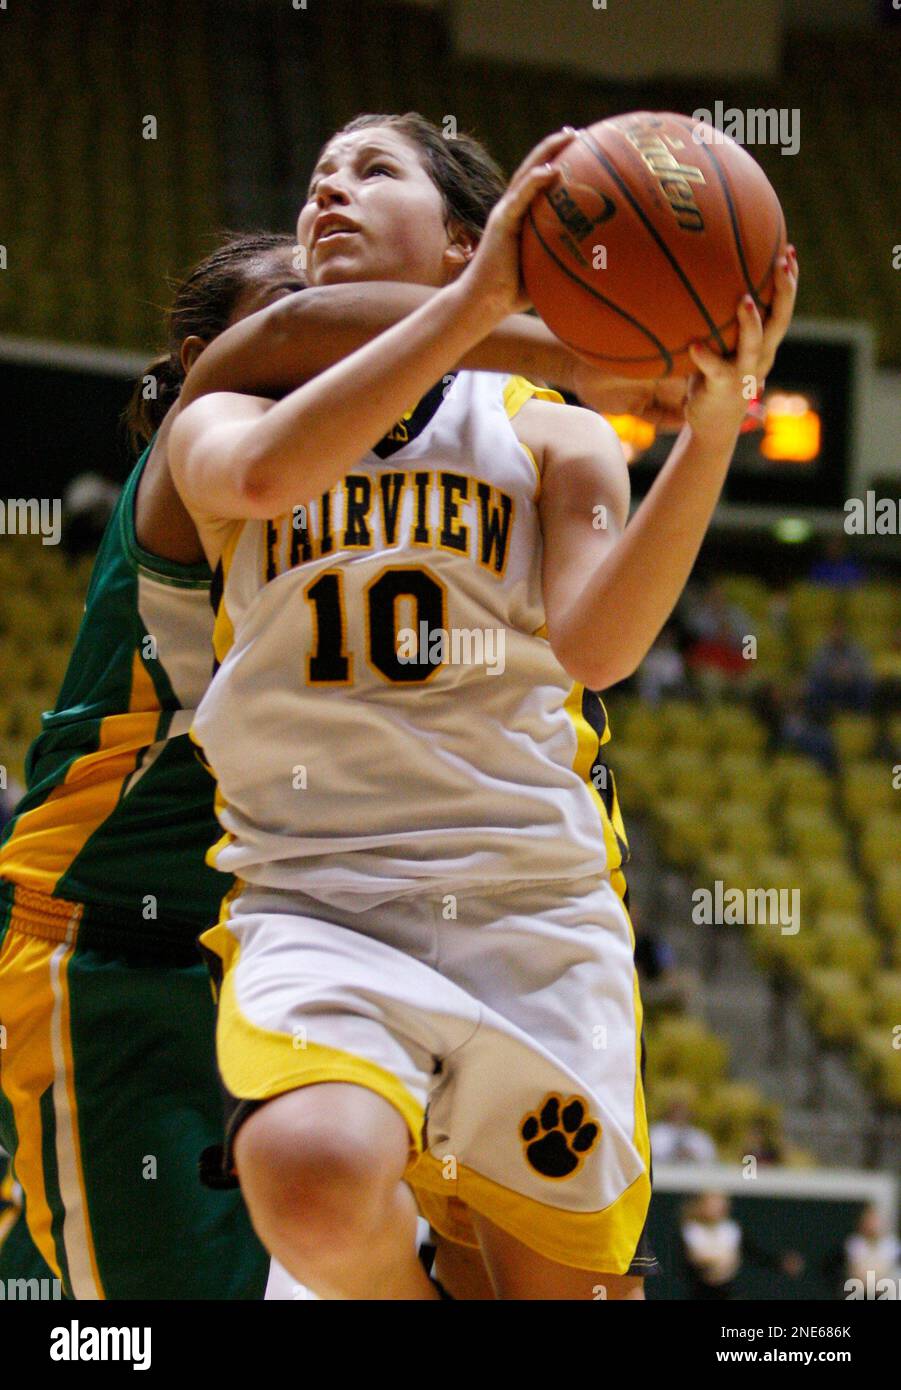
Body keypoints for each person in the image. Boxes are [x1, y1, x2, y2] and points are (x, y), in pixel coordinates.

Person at [170, 111, 798, 1301]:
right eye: (316, 176)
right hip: (319, 893)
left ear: (469, 239)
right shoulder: (232, 405)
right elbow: (257, 483)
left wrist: (711, 434)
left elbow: (599, 647)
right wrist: (482, 311)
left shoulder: (553, 434)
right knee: (307, 1170)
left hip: (530, 907)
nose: (328, 194)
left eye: (371, 171)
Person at [0, 222, 691, 1301]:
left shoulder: (478, 470)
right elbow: (304, 330)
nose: (360, 350)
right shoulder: (218, 461)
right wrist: (561, 341)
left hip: (302, 948)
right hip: (117, 949)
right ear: (208, 365)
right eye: (306, 322)